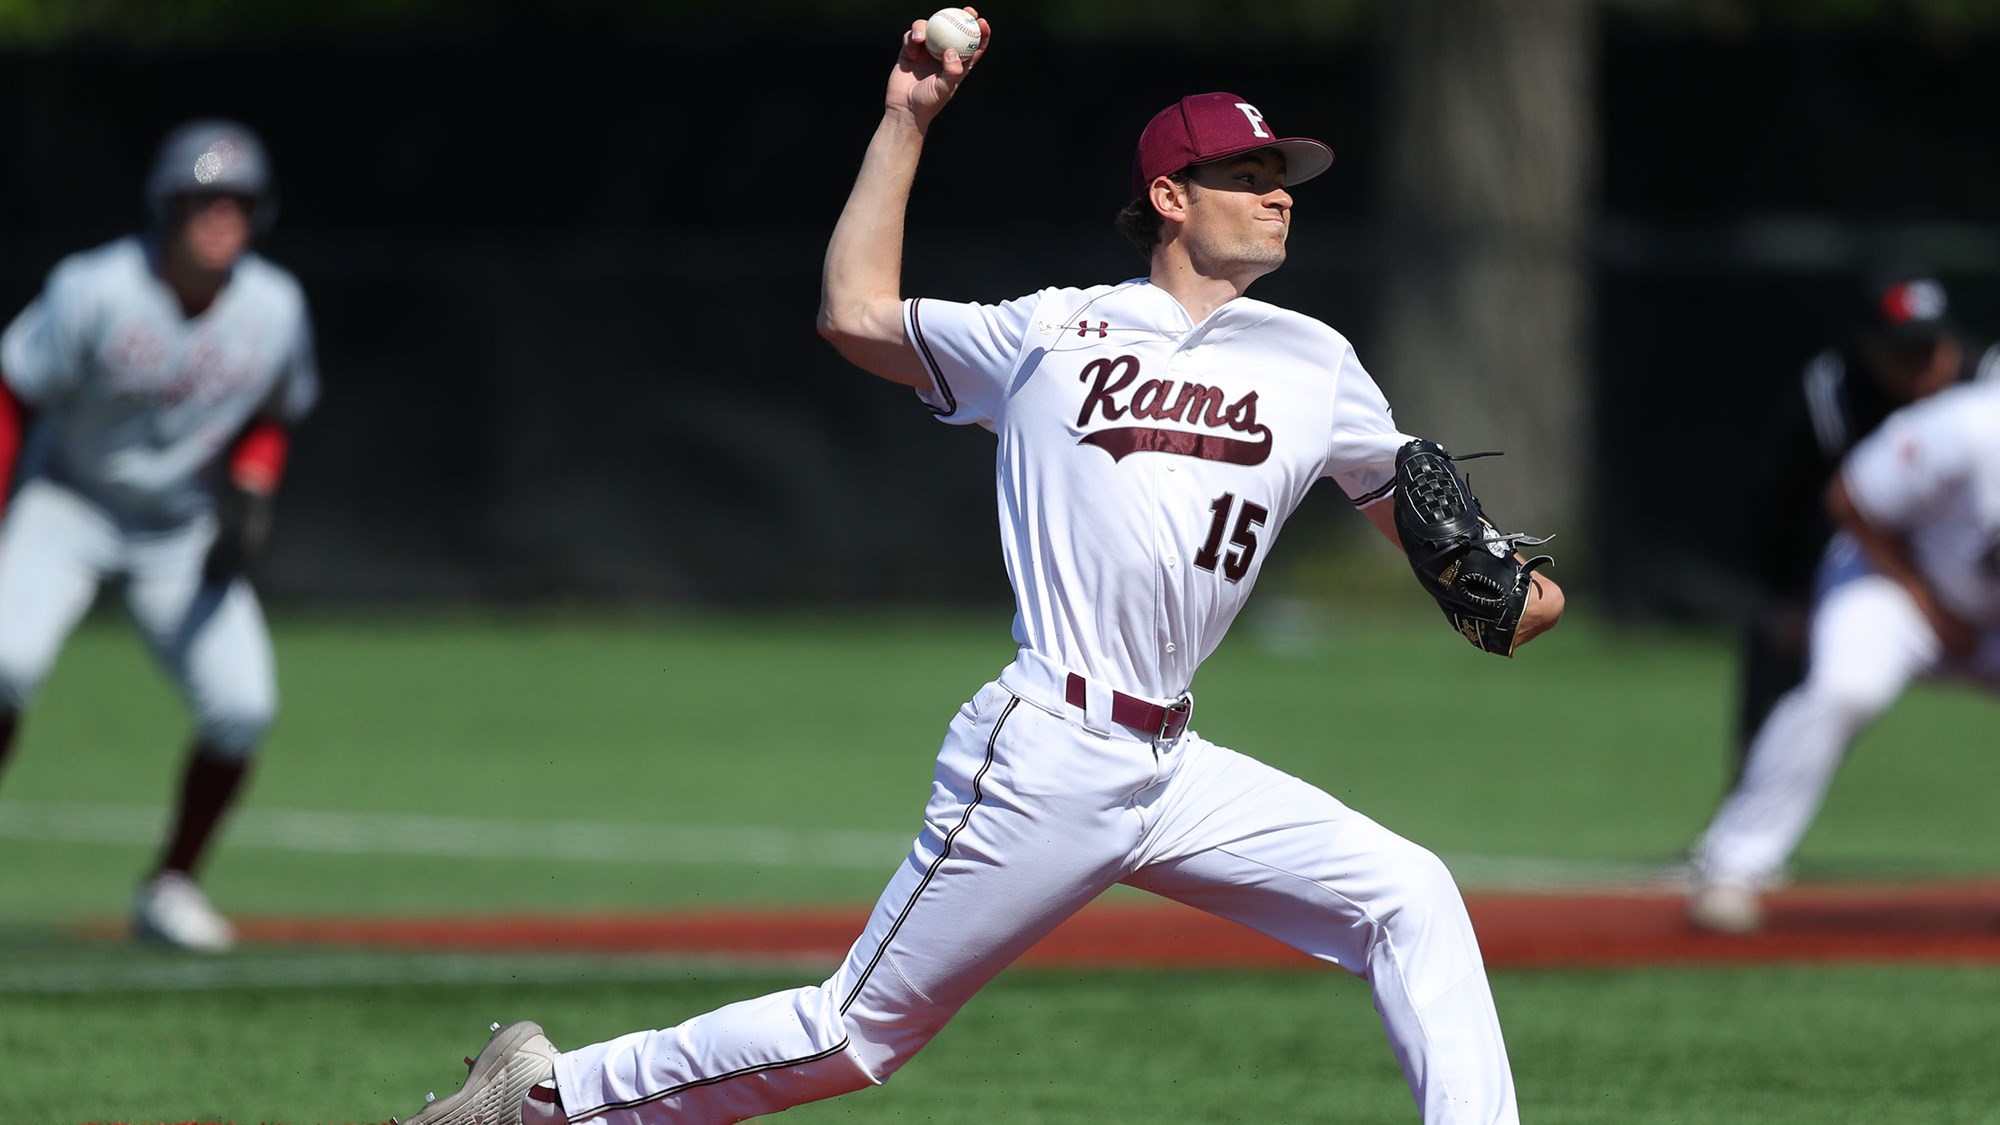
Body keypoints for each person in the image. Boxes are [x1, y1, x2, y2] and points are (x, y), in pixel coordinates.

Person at [393, 12, 1563, 1124]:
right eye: (1245, 175)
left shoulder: (1316, 361)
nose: (1276, 195)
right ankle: (548, 1098)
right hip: (1051, 743)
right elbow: (852, 311)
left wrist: (1514, 594)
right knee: (850, 1035)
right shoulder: (1049, 333)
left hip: (1172, 762)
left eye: (1282, 178)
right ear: (1167, 197)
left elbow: (1459, 561)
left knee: (1408, 896)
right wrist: (907, 118)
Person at [0, 119, 318, 953]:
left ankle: (171, 885)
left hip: (180, 524)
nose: (221, 216)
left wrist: (252, 490)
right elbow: (15, 392)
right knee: (3, 664)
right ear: (165, 207)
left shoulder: (274, 307)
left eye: (238, 201)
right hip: (68, 501)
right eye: (202, 199)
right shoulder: (94, 287)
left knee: (243, 707)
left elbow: (271, 417)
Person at [1691, 376, 2000, 933]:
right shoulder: (1967, 425)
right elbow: (1852, 496)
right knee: (1846, 688)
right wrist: (1931, 606)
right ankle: (1732, 866)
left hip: (1987, 615)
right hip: (1897, 587)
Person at [1730, 270, 1998, 779]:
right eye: (1904, 353)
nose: (1923, 366)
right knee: (1796, 650)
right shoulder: (1831, 396)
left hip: (1982, 574)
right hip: (1874, 573)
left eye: (1931, 347)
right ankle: (1747, 820)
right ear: (1868, 347)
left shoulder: (1987, 383)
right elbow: (1778, 501)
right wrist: (1789, 593)